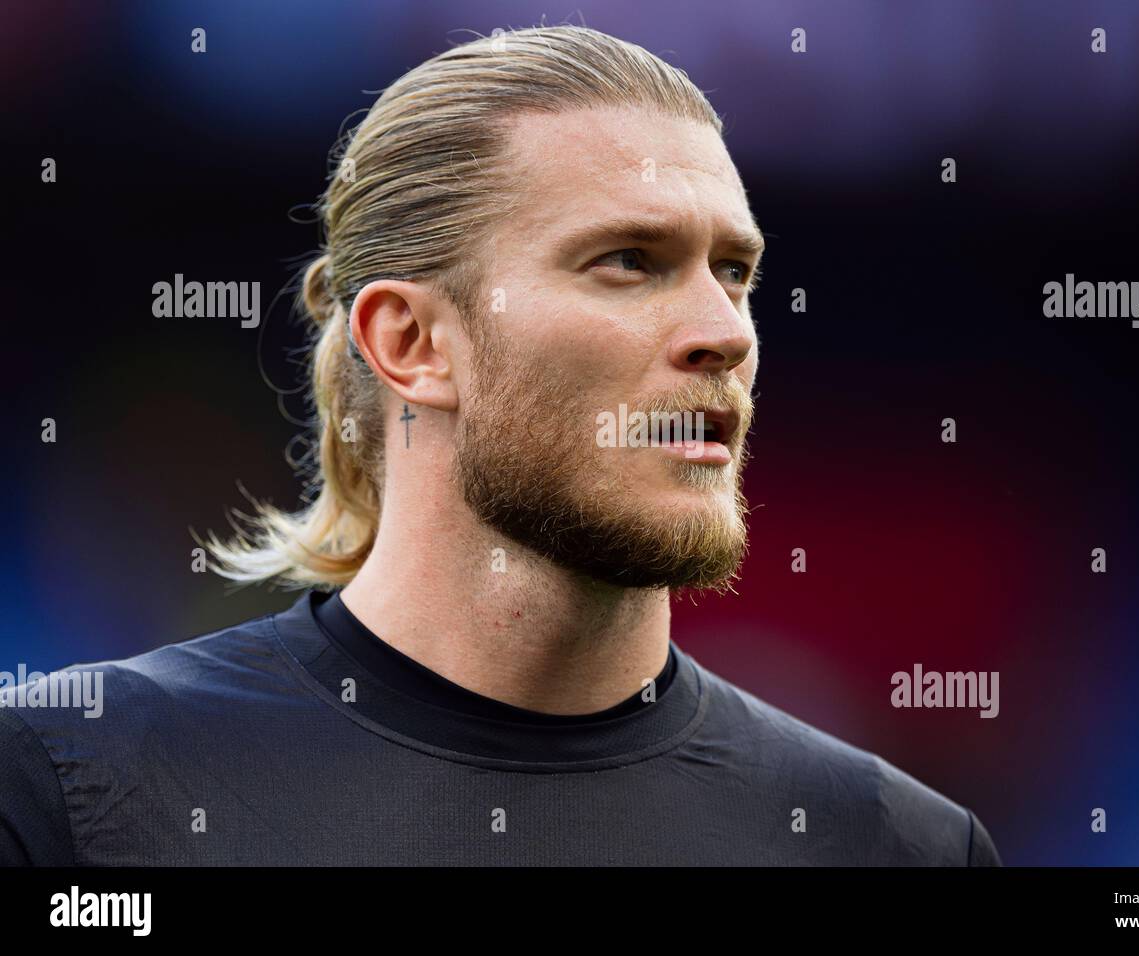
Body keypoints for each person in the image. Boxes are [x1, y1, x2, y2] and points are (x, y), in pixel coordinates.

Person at [0, 25, 1000, 866]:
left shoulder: (892, 841)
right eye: (628, 261)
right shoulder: (74, 790)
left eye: (732, 272)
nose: (726, 330)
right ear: (412, 342)